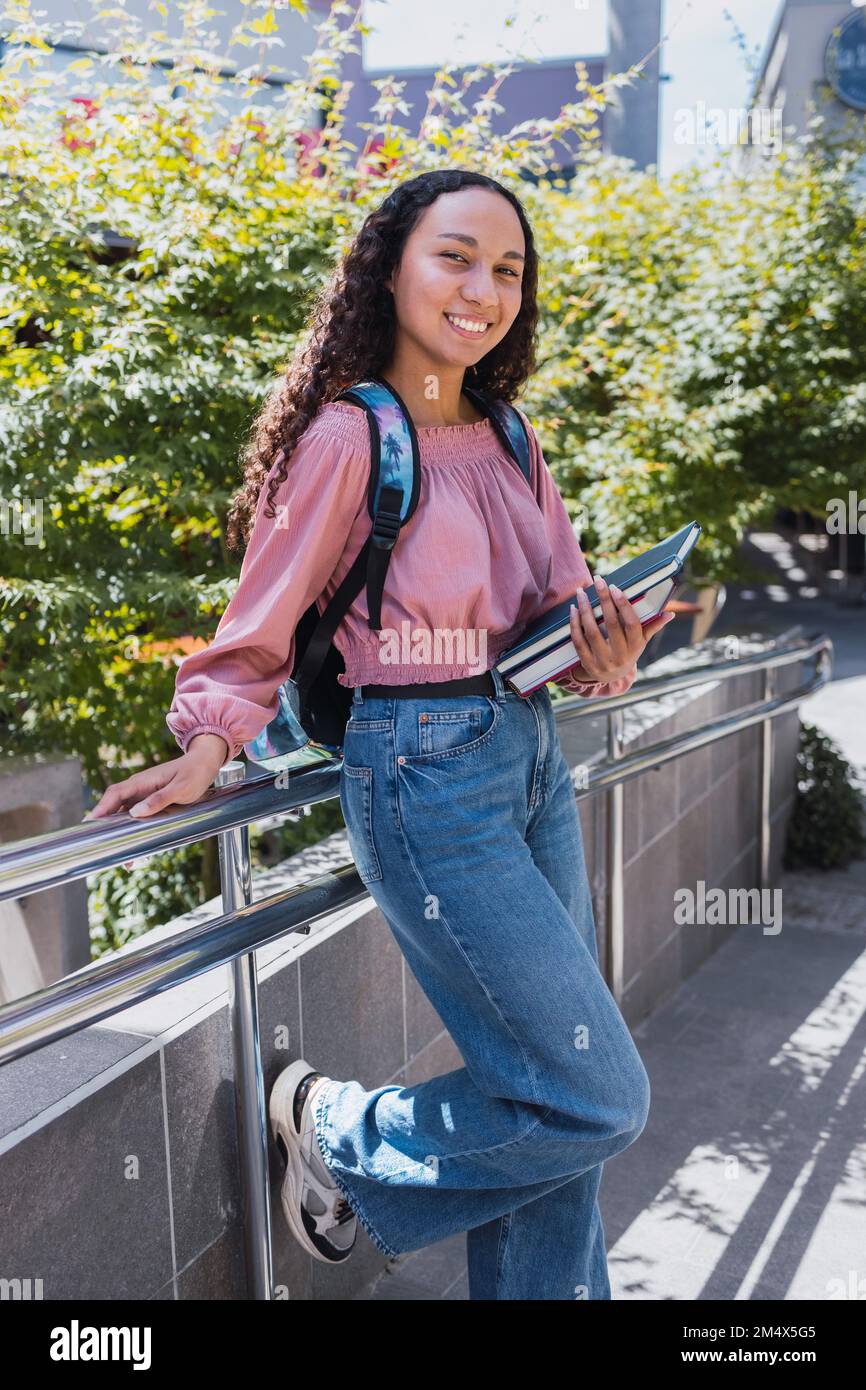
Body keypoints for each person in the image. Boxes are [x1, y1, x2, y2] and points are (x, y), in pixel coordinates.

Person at [87, 169, 673, 1300]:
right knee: (591, 1095)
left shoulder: (509, 433)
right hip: (420, 772)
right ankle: (338, 1127)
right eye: (454, 256)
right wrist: (210, 741)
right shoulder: (353, 436)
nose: (482, 288)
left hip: (530, 749)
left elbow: (553, 597)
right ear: (392, 266)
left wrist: (605, 647)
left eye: (507, 269)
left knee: (550, 1110)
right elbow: (258, 616)